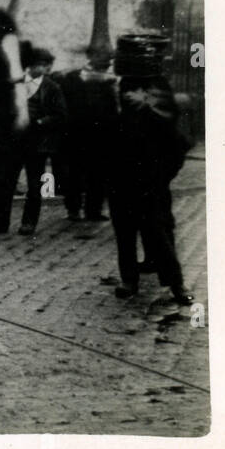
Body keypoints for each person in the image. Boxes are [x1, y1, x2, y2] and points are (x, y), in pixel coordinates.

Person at [105, 37, 193, 305]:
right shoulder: (115, 91)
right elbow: (100, 132)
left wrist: (164, 173)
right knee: (125, 230)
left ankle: (175, 282)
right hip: (120, 176)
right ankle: (129, 279)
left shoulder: (161, 92)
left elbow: (177, 140)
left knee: (159, 229)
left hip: (152, 177)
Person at [0, 45, 66, 236]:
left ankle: (29, 223)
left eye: (48, 66)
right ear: (30, 66)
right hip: (12, 142)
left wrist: (39, 122)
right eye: (42, 65)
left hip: (37, 144)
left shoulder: (52, 88)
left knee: (34, 185)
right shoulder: (15, 85)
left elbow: (60, 115)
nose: (45, 69)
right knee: (6, 184)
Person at [52, 51, 115, 221]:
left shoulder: (107, 83)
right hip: (74, 135)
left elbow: (112, 109)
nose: (104, 68)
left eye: (106, 65)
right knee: (74, 174)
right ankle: (73, 209)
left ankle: (93, 210)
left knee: (98, 174)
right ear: (90, 60)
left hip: (100, 136)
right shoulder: (70, 79)